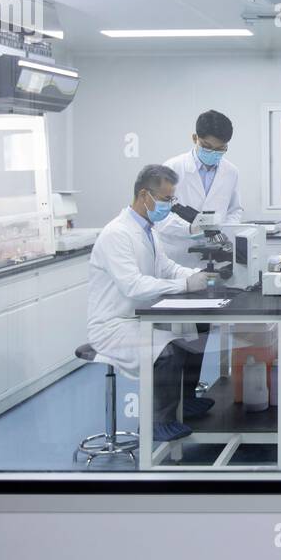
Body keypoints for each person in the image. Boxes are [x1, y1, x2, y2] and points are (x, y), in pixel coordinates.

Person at [86, 164, 216, 443]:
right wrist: (185, 285)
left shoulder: (148, 230)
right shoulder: (116, 234)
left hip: (140, 317)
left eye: (172, 199)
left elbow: (166, 266)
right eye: (166, 199)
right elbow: (133, 284)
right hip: (114, 325)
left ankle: (186, 398)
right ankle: (158, 422)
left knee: (198, 327)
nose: (170, 206)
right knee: (168, 349)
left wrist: (198, 276)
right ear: (145, 195)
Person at [155, 110, 244, 397]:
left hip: (210, 263)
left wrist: (223, 229)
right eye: (208, 147)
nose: (214, 154)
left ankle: (190, 396)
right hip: (176, 260)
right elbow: (159, 217)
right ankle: (168, 407)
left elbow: (235, 210)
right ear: (194, 138)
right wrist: (193, 229)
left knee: (201, 333)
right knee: (173, 338)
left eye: (221, 149)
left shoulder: (230, 171)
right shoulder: (172, 169)